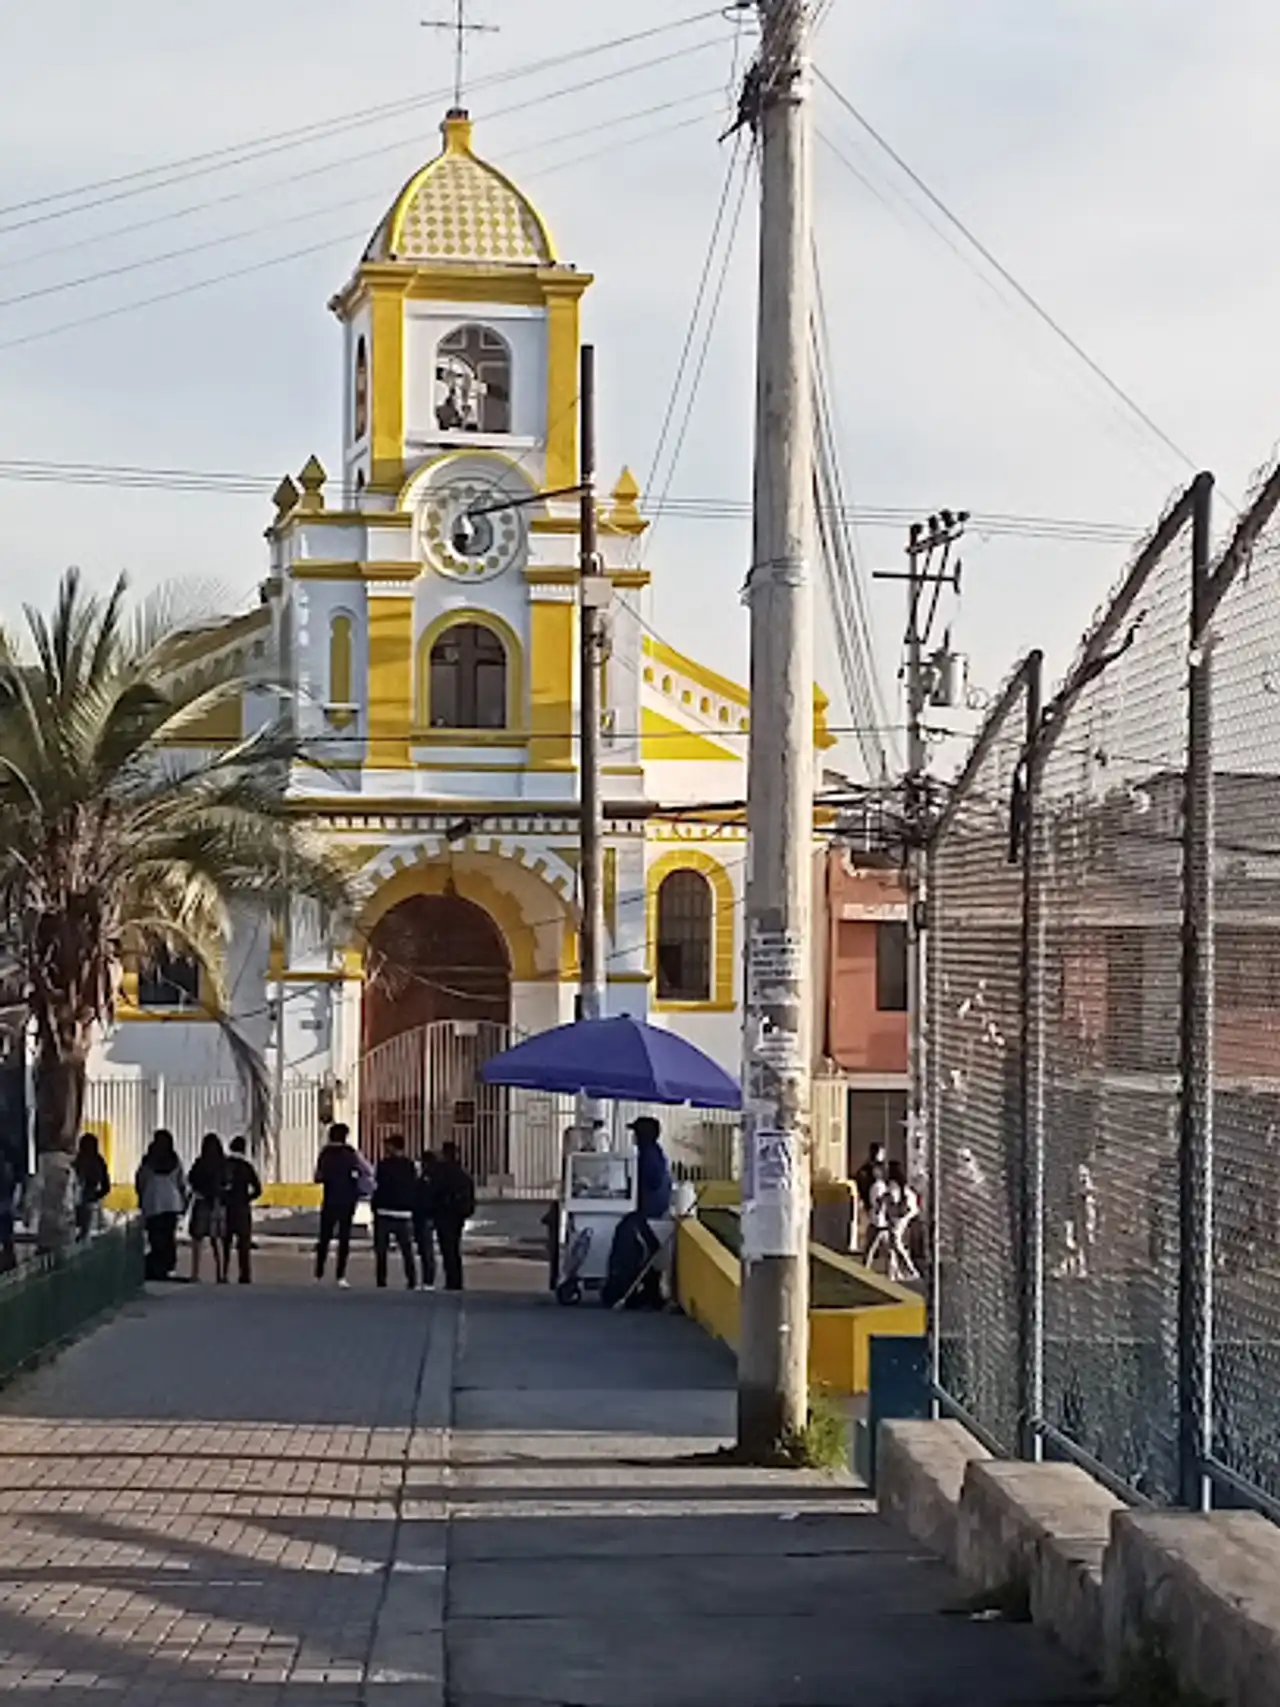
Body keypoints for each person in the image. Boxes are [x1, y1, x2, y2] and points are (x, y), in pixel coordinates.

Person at [630, 1115, 672, 1309]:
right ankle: (649, 1293)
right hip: (654, 1209)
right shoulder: (653, 1152)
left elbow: (653, 1180)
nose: (633, 1137)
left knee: (647, 1253)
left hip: (650, 1211)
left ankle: (651, 1295)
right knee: (648, 1252)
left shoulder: (649, 1154)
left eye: (635, 1132)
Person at [136, 1130, 188, 1281]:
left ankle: (156, 1267)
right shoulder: (174, 1159)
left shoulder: (148, 1160)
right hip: (172, 1203)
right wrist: (183, 1201)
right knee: (168, 1237)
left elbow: (141, 1179)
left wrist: (141, 1197)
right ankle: (166, 1266)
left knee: (155, 1237)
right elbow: (181, 1182)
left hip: (153, 1203)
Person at [314, 1123, 363, 1286]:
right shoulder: (350, 1154)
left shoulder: (325, 1154)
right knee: (344, 1238)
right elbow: (357, 1175)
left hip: (330, 1200)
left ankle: (319, 1271)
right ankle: (340, 1275)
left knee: (324, 1237)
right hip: (347, 1201)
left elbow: (318, 1177)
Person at [373, 1134, 418, 1290]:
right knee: (407, 1250)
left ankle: (381, 1280)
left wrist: (375, 1206)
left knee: (381, 1251)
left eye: (388, 1146)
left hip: (384, 1211)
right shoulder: (409, 1165)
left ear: (393, 1146)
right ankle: (411, 1279)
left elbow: (378, 1186)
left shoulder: (383, 1165)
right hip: (403, 1212)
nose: (385, 1149)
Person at [432, 1140, 475, 1292]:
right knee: (454, 1247)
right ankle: (456, 1279)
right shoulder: (462, 1173)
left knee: (447, 1248)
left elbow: (434, 1191)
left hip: (444, 1213)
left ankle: (452, 1280)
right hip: (457, 1215)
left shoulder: (440, 1171)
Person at [186, 1132, 228, 1284]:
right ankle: (221, 1273)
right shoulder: (222, 1163)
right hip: (216, 1204)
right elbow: (226, 1181)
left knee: (197, 1240)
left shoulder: (200, 1162)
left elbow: (191, 1179)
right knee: (217, 1240)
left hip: (202, 1202)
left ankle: (195, 1273)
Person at [221, 1137, 262, 1285]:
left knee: (225, 1243)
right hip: (242, 1209)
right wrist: (247, 1198)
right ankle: (245, 1275)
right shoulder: (246, 1167)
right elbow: (258, 1189)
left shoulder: (224, 1165)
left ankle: (223, 1272)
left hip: (226, 1208)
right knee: (243, 1244)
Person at [885, 1160, 921, 1282]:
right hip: (903, 1215)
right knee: (892, 1245)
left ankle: (910, 1269)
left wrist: (886, 1201)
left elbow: (893, 1199)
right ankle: (894, 1272)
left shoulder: (893, 1184)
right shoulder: (903, 1185)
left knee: (896, 1243)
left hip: (898, 1216)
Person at [72, 1132, 111, 1243]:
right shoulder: (80, 1160)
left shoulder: (90, 1161)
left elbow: (106, 1185)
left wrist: (96, 1196)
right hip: (85, 1199)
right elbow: (106, 1186)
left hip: (87, 1199)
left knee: (84, 1232)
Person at [853, 1141, 887, 1253]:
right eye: (882, 1152)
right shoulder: (873, 1169)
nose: (883, 1155)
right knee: (877, 1228)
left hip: (872, 1201)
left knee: (876, 1229)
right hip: (874, 1201)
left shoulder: (871, 1167)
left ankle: (873, 1251)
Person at [414, 1150, 439, 1289]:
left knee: (426, 1249)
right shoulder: (426, 1177)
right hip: (424, 1216)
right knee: (424, 1249)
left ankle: (428, 1279)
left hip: (425, 1216)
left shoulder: (428, 1178)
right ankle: (427, 1279)